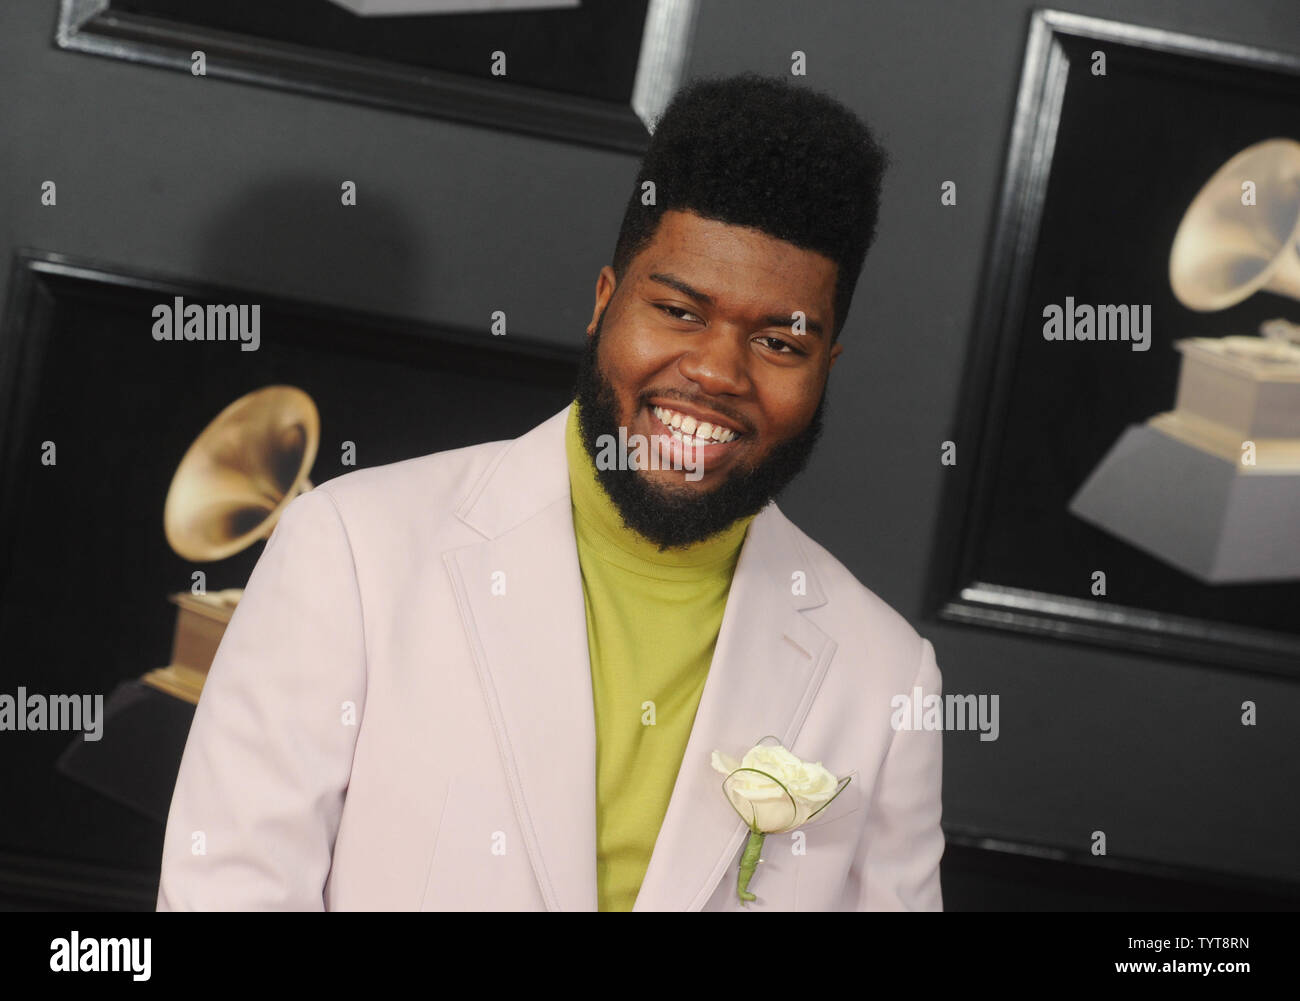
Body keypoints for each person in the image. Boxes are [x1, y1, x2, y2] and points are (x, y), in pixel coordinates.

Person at [157, 72, 944, 912]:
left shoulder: (888, 676)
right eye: (679, 311)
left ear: (827, 368)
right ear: (604, 304)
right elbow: (226, 892)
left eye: (780, 344)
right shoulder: (350, 547)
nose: (717, 372)